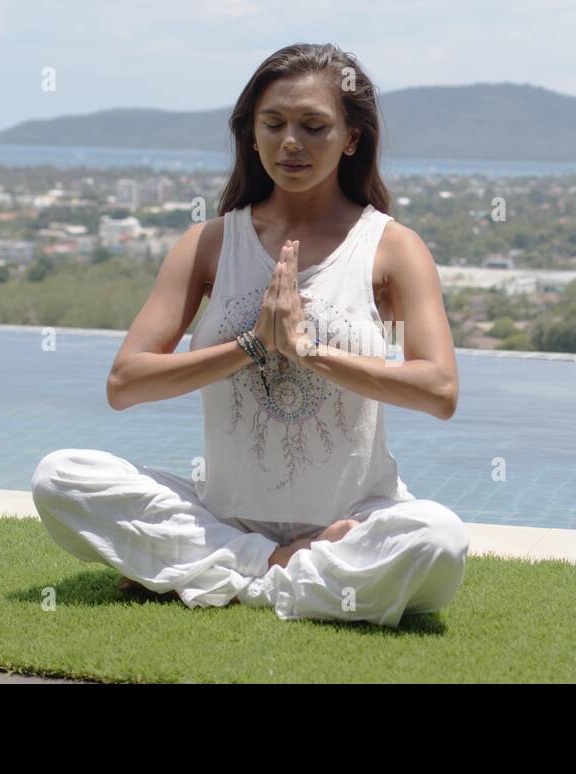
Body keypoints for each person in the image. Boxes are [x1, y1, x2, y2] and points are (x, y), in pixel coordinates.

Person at [32, 43, 466, 628]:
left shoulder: (391, 248)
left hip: (352, 522)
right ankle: (279, 568)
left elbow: (439, 390)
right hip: (225, 515)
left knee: (437, 542)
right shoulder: (209, 244)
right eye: (274, 124)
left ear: (352, 138)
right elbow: (125, 382)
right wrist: (251, 346)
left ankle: (224, 573)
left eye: (314, 126)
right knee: (60, 478)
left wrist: (310, 352)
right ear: (251, 133)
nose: (292, 142)